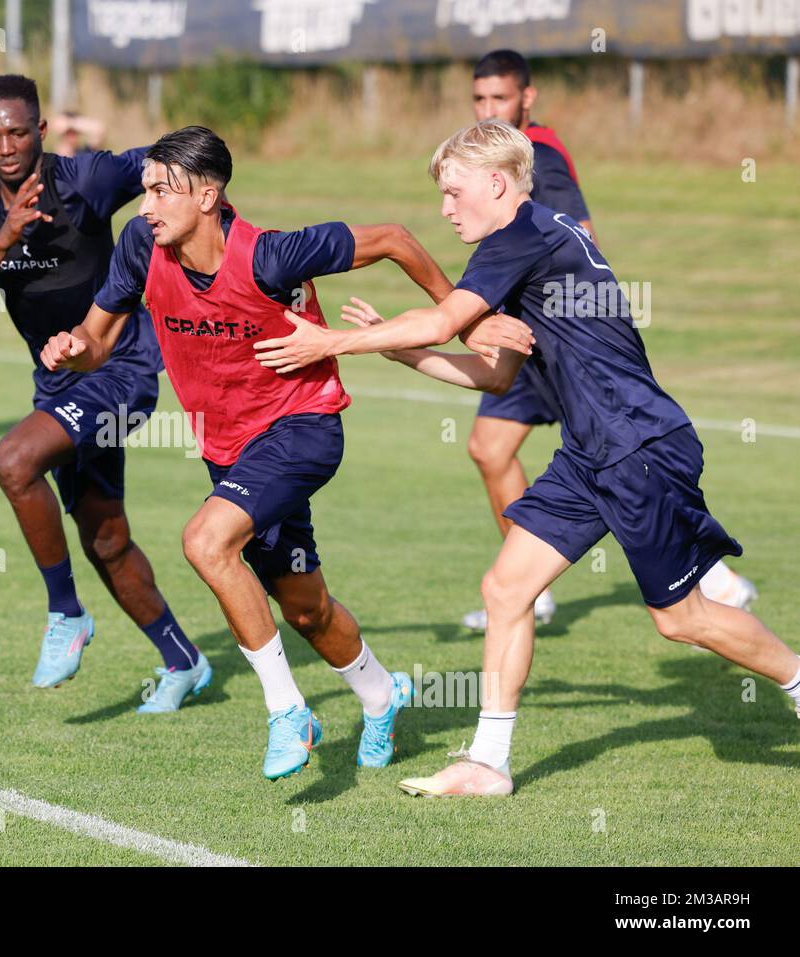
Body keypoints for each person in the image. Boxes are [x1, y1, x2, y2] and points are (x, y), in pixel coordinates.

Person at [252, 119, 800, 796]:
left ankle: (798, 680)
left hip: (638, 447)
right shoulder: (525, 243)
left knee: (681, 618)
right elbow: (496, 376)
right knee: (506, 588)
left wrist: (327, 344)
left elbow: (443, 317)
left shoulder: (522, 235)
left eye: (454, 193)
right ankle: (489, 761)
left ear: (496, 182)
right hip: (589, 453)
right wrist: (403, 351)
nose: (445, 208)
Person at [40, 126, 489, 779]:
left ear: (208, 195)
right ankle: (381, 694)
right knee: (306, 607)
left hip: (303, 429)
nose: (146, 207)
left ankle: (288, 712)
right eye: (145, 191)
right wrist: (76, 348)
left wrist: (461, 314)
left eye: (162, 191)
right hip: (231, 449)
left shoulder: (273, 256)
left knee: (205, 541)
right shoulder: (142, 245)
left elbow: (393, 237)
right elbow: (99, 335)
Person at [0, 75, 207, 709]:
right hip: (58, 381)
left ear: (42, 130)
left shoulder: (86, 179)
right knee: (105, 538)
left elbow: (182, 163)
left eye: (20, 131)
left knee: (13, 460)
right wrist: (2, 236)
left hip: (122, 367)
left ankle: (66, 614)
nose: (7, 145)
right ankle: (183, 660)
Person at [461, 50, 756, 627]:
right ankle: (529, 591)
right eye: (479, 99)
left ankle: (717, 581)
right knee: (490, 448)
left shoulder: (538, 156)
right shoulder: (496, 159)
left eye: (500, 98)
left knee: (612, 463)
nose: (488, 109)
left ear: (528, 98)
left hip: (556, 342)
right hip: (528, 333)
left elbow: (583, 235)